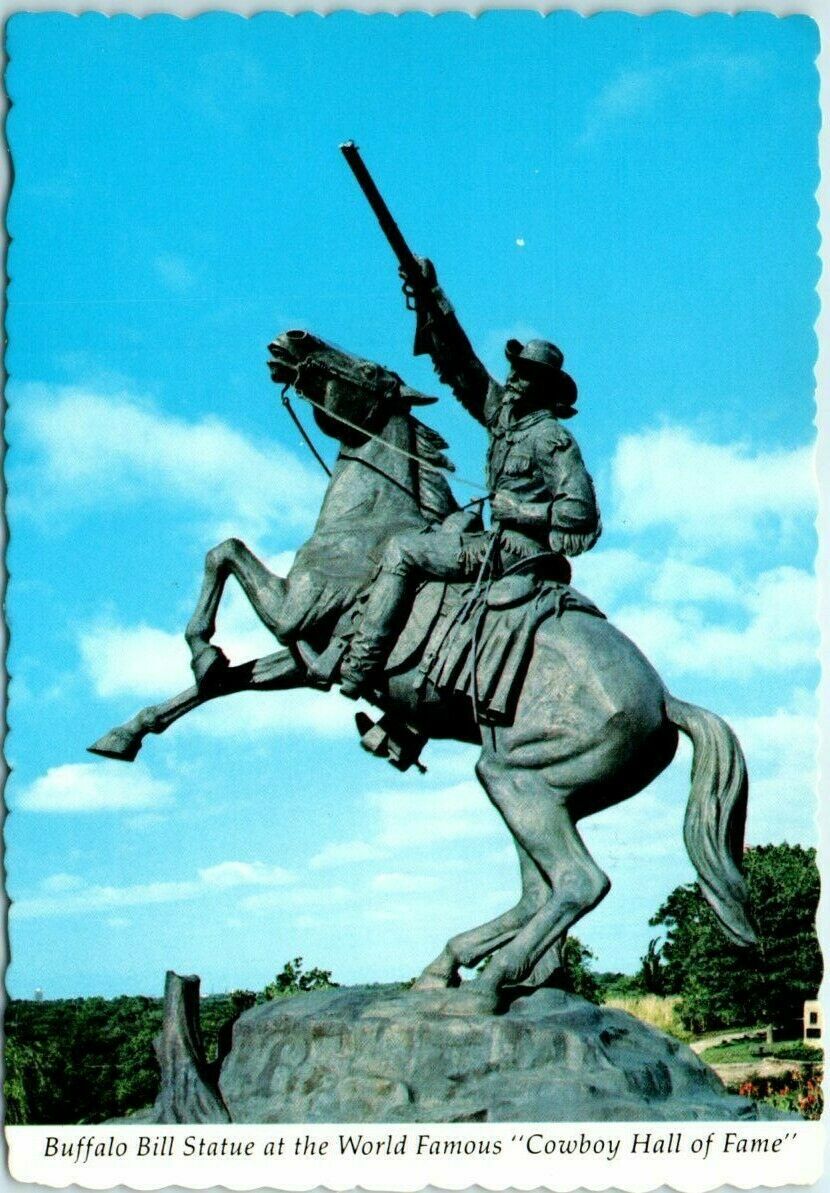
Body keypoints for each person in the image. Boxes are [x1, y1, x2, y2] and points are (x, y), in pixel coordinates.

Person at [338, 258, 601, 699]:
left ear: (546, 390)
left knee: (403, 551)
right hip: (492, 539)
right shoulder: (504, 416)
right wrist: (430, 295)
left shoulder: (551, 438)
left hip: (518, 550)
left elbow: (581, 512)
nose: (514, 378)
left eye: (527, 376)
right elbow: (464, 364)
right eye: (516, 369)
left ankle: (359, 665)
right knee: (437, 528)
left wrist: (522, 510)